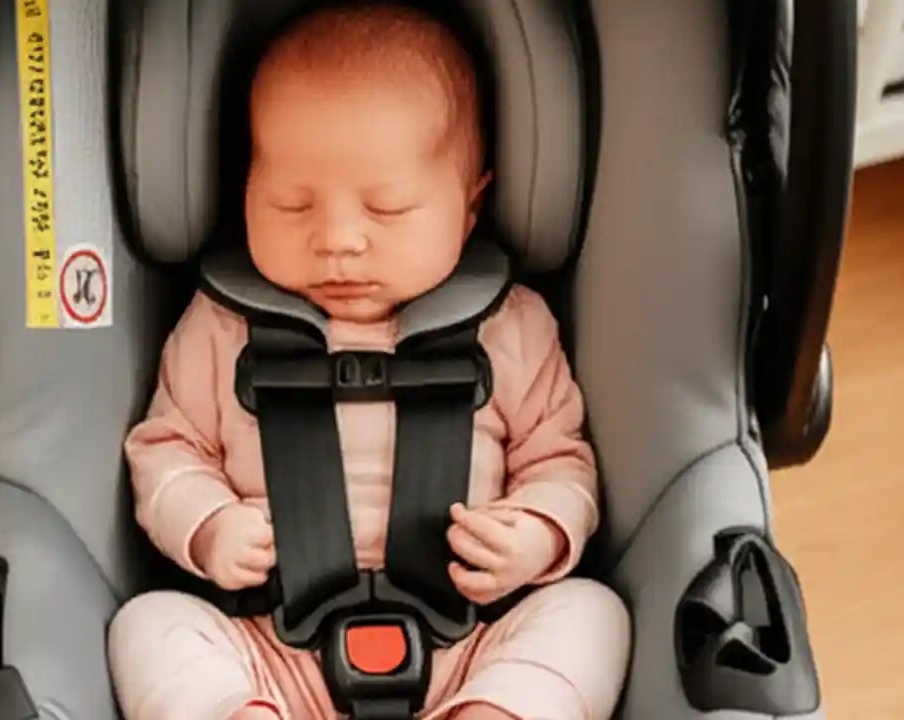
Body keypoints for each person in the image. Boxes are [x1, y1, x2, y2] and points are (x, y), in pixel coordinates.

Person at [109, 4, 630, 718]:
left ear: (470, 205)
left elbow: (559, 460)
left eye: (386, 209)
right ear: (245, 195)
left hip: (469, 642)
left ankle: (490, 713)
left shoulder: (511, 327)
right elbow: (166, 448)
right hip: (271, 647)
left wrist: (536, 532)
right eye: (292, 205)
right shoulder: (221, 328)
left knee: (591, 614)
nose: (338, 240)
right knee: (148, 627)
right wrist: (208, 524)